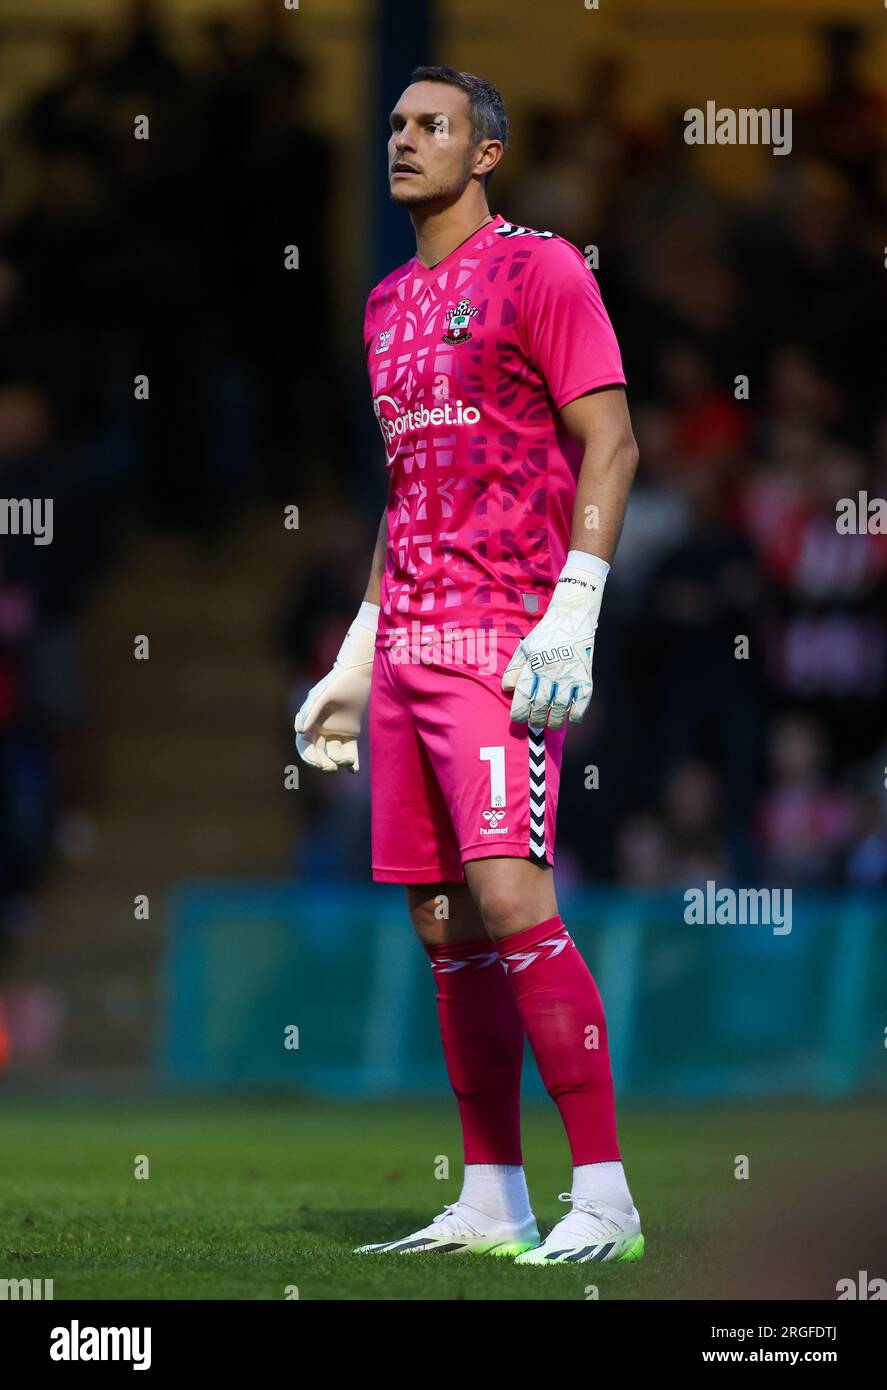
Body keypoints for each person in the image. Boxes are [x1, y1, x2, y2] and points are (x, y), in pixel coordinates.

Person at [295, 67, 641, 1264]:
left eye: (429, 125)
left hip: (504, 637)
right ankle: (492, 1196)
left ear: (483, 152)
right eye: (391, 124)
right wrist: (356, 646)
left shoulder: (542, 268)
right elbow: (406, 490)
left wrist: (575, 608)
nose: (402, 140)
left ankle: (602, 1195)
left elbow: (611, 440)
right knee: (444, 926)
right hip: (407, 647)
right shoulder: (384, 302)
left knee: (509, 901)